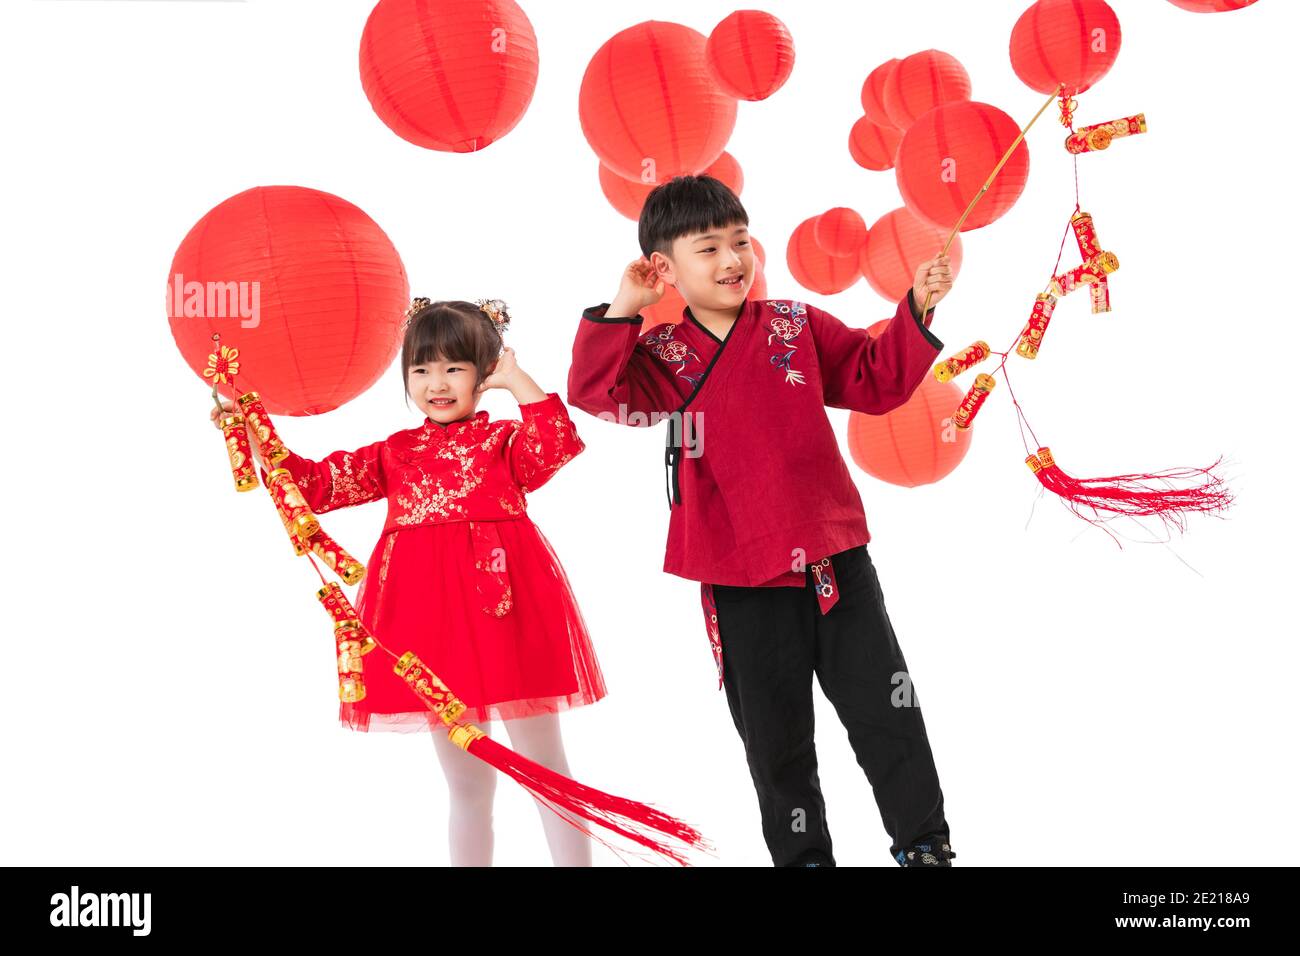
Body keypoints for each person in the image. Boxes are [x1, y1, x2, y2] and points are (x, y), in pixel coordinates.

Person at [567, 175, 956, 867]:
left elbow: (874, 381)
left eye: (740, 241)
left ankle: (925, 844)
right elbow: (602, 397)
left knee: (886, 709)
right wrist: (626, 306)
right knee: (776, 739)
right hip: (740, 571)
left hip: (835, 555)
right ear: (665, 269)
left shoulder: (794, 324)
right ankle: (805, 857)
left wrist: (916, 310)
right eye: (707, 247)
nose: (731, 260)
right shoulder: (663, 357)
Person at [212, 297, 607, 866]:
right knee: (468, 786)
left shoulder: (501, 444)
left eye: (454, 367)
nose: (435, 383)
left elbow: (556, 444)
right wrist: (247, 421)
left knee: (546, 772)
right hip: (430, 629)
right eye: (420, 370)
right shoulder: (397, 453)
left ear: (483, 371)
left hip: (509, 613)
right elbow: (314, 485)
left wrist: (517, 378)